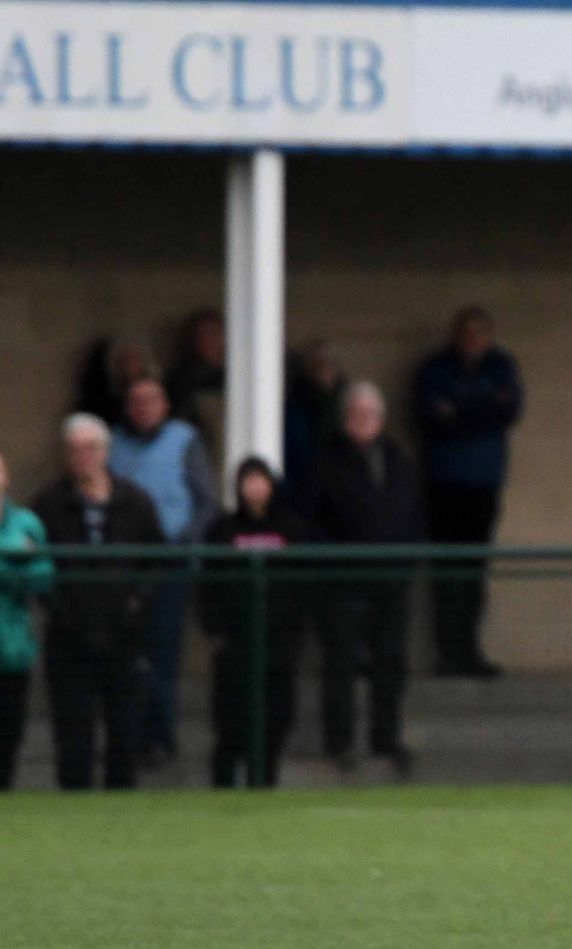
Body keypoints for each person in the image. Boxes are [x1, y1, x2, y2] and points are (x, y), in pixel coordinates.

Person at [31, 414, 167, 790]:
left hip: (125, 633)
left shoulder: (135, 501)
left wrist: (137, 600)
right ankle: (74, 806)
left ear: (105, 452)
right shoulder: (49, 502)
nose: (83, 457)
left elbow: (158, 559)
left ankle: (120, 805)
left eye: (90, 448)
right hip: (69, 635)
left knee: (124, 729)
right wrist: (57, 605)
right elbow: (35, 562)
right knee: (73, 733)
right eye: (74, 450)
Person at [308, 381, 427, 775]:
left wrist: (406, 561)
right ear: (345, 418)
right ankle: (340, 742)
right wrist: (333, 563)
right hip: (342, 581)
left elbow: (414, 514)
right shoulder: (325, 461)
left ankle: (386, 739)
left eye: (370, 415)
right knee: (340, 663)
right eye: (356, 414)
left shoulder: (397, 460)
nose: (363, 421)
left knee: (390, 662)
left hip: (390, 579)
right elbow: (311, 519)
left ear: (381, 419)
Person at [110, 376, 218, 764]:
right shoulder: (113, 444)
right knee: (126, 653)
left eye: (151, 400)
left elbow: (207, 503)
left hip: (170, 561)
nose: (143, 408)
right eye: (136, 401)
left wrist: (184, 543)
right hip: (125, 564)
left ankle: (159, 736)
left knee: (162, 652)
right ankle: (128, 736)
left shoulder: (185, 440)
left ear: (166, 406)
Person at [411, 306, 523, 678]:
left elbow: (508, 410)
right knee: (446, 572)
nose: (473, 339)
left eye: (480, 332)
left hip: (483, 484)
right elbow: (431, 414)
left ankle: (469, 651)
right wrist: (482, 408)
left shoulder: (501, 366)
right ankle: (447, 654)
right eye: (467, 331)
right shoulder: (435, 369)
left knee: (474, 572)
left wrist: (459, 410)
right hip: (443, 483)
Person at [200, 458, 310, 787]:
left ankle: (263, 785)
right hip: (235, 642)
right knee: (230, 722)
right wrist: (215, 630)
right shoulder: (221, 530)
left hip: (277, 643)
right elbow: (207, 585)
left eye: (261, 479)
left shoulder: (292, 530)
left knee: (275, 719)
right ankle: (223, 788)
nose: (255, 487)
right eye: (248, 480)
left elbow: (303, 585)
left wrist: (294, 632)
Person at [0, 451, 55, 789]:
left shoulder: (26, 523)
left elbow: (43, 574)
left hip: (13, 648)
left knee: (8, 734)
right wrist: (14, 560)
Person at [283, 341, 347, 511]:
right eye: (318, 365)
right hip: (304, 488)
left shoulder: (347, 404)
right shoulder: (295, 409)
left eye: (329, 364)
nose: (324, 370)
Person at [164, 308, 227, 441]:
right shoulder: (179, 379)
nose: (208, 340)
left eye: (214, 333)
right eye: (202, 335)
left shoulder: (237, 375)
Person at [74, 335, 157, 427]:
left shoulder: (155, 389)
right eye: (124, 360)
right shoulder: (101, 399)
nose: (129, 367)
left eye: (134, 359)